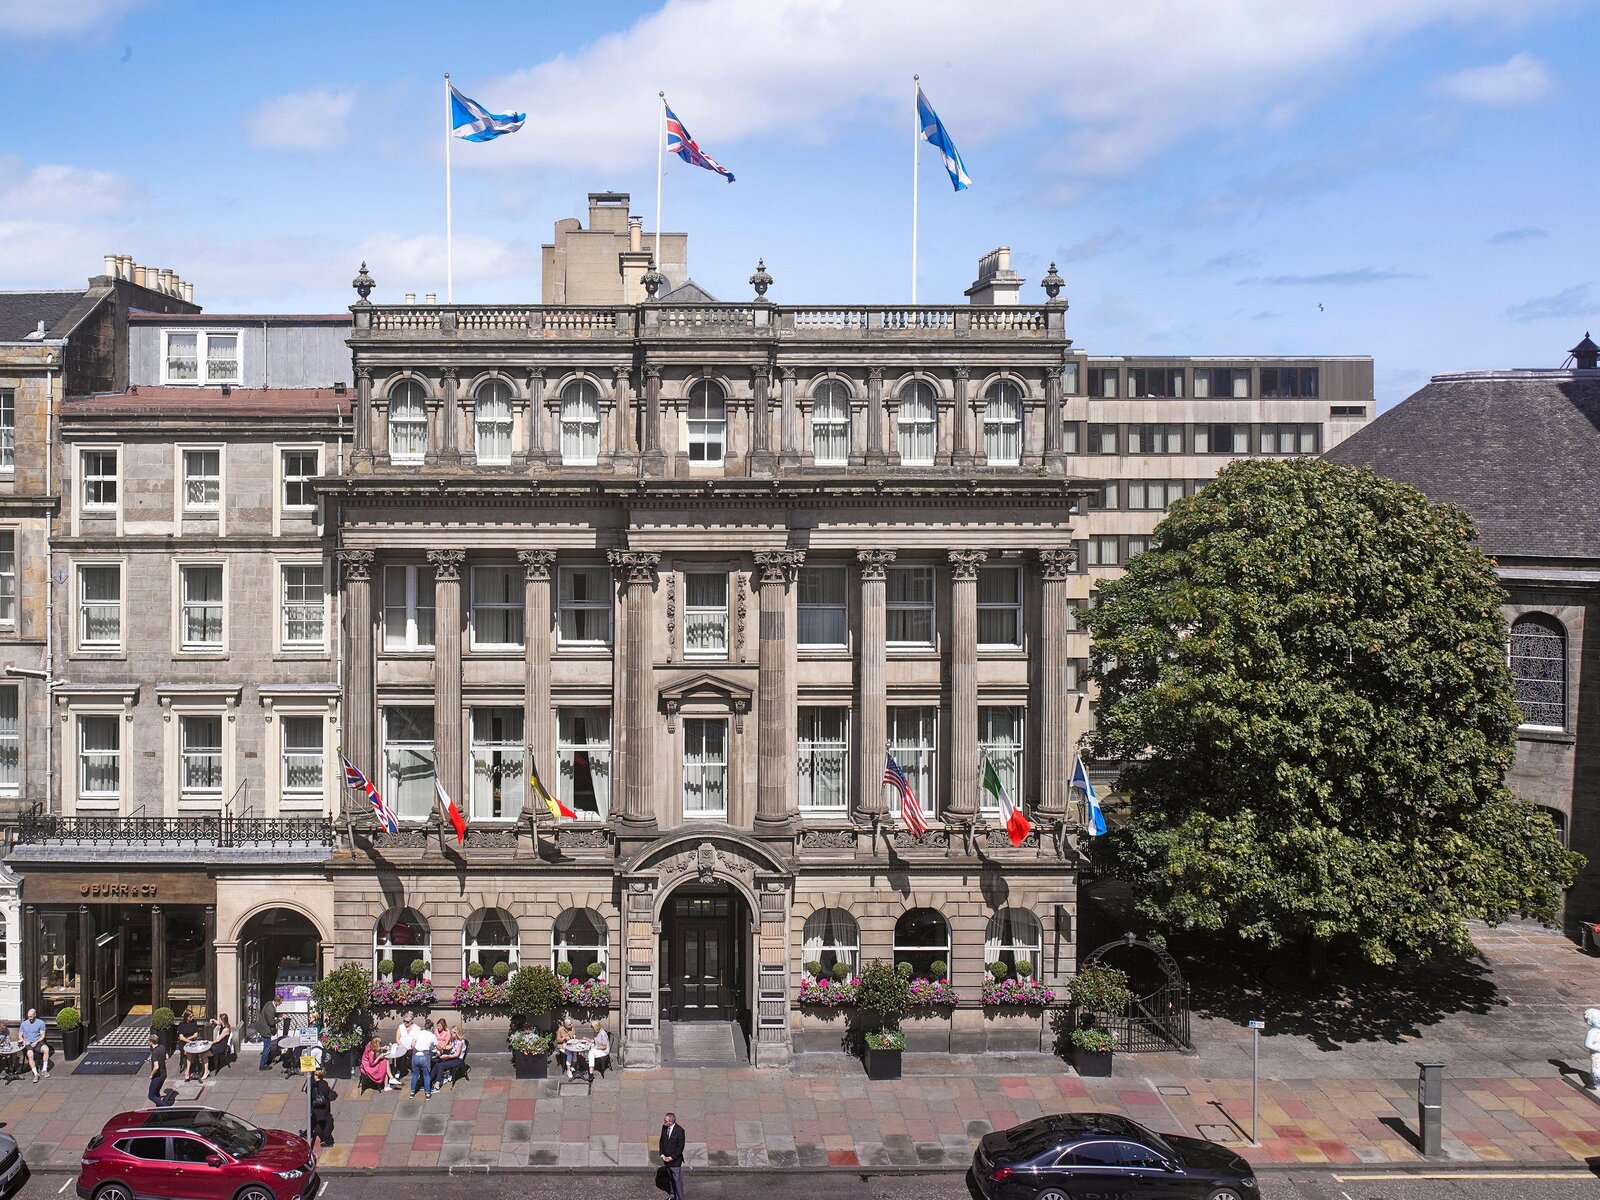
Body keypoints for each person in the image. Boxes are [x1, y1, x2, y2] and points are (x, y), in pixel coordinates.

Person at [659, 1111, 686, 1200]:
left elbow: (680, 1147)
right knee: (671, 1178)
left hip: (675, 1161)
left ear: (671, 1121)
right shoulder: (664, 1128)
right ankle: (672, 1194)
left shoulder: (679, 1131)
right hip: (666, 1160)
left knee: (677, 1180)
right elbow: (662, 1142)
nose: (664, 1122)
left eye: (665, 1121)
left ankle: (679, 1198)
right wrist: (662, 1154)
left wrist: (671, 1158)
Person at [408, 1017, 437, 1099]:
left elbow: (412, 1045)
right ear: (431, 1027)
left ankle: (412, 1092)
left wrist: (416, 1050)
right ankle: (427, 1093)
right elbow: (437, 1047)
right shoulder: (432, 1035)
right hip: (425, 1057)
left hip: (416, 1056)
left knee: (415, 1074)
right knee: (426, 1075)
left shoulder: (418, 1033)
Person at [431, 1021, 465, 1090]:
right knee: (438, 1063)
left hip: (457, 1060)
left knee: (441, 1065)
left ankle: (437, 1083)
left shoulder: (460, 1042)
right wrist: (442, 1047)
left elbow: (457, 1054)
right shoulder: (454, 1039)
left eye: (452, 1033)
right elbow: (451, 1047)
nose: (450, 1034)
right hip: (453, 1057)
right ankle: (430, 1079)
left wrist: (446, 1056)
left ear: (456, 1033)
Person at [18, 1008, 49, 1082]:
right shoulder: (24, 1024)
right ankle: (36, 1074)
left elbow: (42, 1035)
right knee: (30, 1054)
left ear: (35, 1015)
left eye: (31, 1016)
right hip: (28, 1043)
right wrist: (24, 1041)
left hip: (37, 1042)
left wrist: (36, 1042)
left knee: (46, 1049)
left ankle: (44, 1070)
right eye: (28, 1016)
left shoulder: (40, 1023)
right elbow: (19, 1036)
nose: (30, 1018)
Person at [308, 1068, 336, 1148]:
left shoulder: (317, 1086)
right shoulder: (324, 1083)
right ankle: (307, 1132)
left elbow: (310, 1093)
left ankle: (329, 1141)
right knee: (314, 1121)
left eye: (315, 1074)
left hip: (319, 1110)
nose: (313, 1076)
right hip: (323, 1109)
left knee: (321, 1127)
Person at [392, 1012, 419, 1085]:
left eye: (407, 1022)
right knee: (400, 1056)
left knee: (413, 1055)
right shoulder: (401, 1027)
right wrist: (402, 1046)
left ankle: (415, 1071)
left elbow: (417, 1040)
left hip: (411, 1047)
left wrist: (412, 1046)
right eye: (404, 1021)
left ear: (412, 1021)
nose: (405, 1023)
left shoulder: (417, 1028)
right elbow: (397, 1038)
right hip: (402, 1046)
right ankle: (398, 1071)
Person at [176, 1009, 202, 1082]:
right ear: (186, 1017)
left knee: (198, 1051)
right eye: (190, 1017)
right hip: (184, 1043)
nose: (192, 1018)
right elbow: (181, 1037)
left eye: (192, 1016)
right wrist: (189, 1040)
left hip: (191, 1041)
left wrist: (188, 1039)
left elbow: (196, 1034)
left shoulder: (194, 1022)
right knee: (189, 1053)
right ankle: (188, 1071)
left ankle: (193, 1069)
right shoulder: (182, 1024)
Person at [205, 1014, 231, 1081]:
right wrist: (213, 1020)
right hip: (217, 1045)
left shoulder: (226, 1029)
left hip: (221, 1046)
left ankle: (206, 1071)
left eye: (219, 1019)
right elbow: (217, 1022)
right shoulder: (223, 1024)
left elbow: (218, 1039)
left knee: (204, 1054)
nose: (218, 1020)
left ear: (222, 1021)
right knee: (203, 1053)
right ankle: (205, 1069)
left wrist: (211, 1042)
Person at [146, 1034, 170, 1108]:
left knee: (151, 1095)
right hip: (163, 1074)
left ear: (151, 1042)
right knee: (156, 1093)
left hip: (157, 1076)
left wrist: (151, 1075)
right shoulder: (162, 1047)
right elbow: (167, 1057)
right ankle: (159, 1111)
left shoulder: (154, 1053)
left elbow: (156, 1067)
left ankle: (166, 1108)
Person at [257, 996, 280, 1070]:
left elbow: (270, 1015)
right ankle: (263, 1065)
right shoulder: (270, 1009)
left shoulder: (269, 1003)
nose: (280, 1004)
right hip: (265, 1030)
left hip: (262, 1028)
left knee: (267, 1046)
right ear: (276, 1001)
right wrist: (280, 1019)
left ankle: (268, 1059)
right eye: (280, 1003)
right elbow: (271, 1022)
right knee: (267, 1047)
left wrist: (278, 1015)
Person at [1585, 1008, 1600, 1090]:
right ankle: (1596, 1083)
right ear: (1590, 1021)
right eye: (1597, 1019)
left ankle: (1591, 1078)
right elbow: (1587, 1044)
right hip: (1597, 1053)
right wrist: (1597, 1048)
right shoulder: (1592, 1032)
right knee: (1597, 1068)